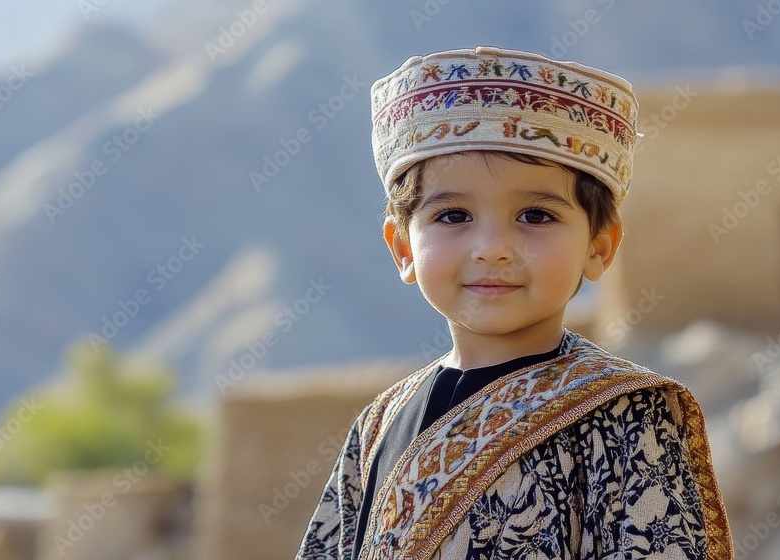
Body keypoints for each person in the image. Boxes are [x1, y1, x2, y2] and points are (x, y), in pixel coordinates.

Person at [294, 46, 733, 560]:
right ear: (404, 249)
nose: (492, 248)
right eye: (454, 216)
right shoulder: (377, 427)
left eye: (536, 216)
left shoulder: (630, 413)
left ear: (599, 247)